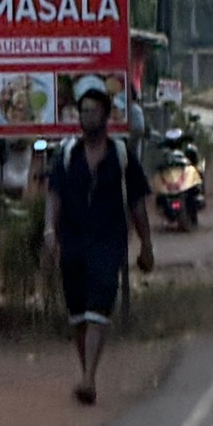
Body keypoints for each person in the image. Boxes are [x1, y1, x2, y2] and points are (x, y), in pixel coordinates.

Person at [44, 76, 153, 404]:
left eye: (93, 111)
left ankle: (89, 378)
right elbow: (54, 196)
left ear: (106, 116)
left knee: (98, 308)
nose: (87, 116)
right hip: (73, 241)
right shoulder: (66, 155)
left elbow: (137, 202)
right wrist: (50, 230)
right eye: (83, 111)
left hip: (109, 241)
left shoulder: (121, 156)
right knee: (78, 314)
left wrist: (146, 243)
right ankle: (86, 371)